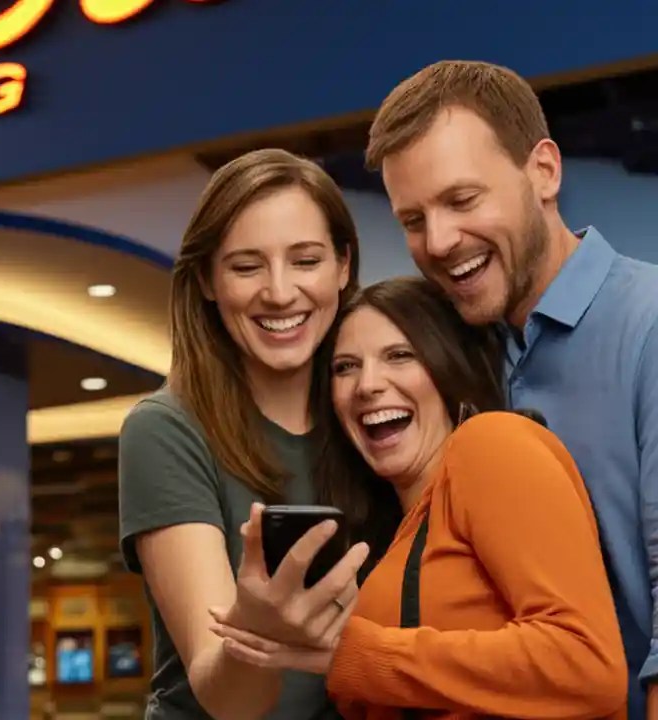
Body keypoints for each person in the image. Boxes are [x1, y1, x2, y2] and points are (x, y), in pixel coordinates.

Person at [364, 59, 658, 719]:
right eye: (413, 219)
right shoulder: (465, 356)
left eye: (463, 200)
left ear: (544, 171)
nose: (440, 240)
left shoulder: (649, 324)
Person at [213, 276, 629, 718]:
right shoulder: (390, 540)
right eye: (345, 367)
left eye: (399, 355)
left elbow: (586, 664)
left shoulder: (490, 443)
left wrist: (353, 653)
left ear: (448, 366)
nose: (367, 384)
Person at [117, 148, 398, 720]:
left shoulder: (374, 412)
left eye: (306, 260)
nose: (279, 291)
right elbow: (228, 700)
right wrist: (263, 629)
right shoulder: (165, 429)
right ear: (207, 279)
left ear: (343, 265)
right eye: (247, 267)